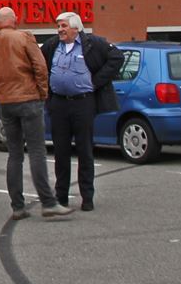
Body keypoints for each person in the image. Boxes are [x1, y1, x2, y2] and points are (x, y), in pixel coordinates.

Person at [0, 7, 70, 220]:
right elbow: (40, 67)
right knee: (37, 151)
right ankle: (48, 203)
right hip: (29, 100)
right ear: (15, 20)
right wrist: (42, 93)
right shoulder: (24, 38)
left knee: (15, 154)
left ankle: (17, 206)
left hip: (6, 104)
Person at [40, 12, 123, 213]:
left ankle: (87, 197)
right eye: (58, 26)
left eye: (63, 26)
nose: (60, 29)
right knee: (61, 152)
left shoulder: (93, 44)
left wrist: (96, 81)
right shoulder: (52, 46)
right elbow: (40, 66)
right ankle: (61, 197)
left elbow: (117, 57)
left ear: (76, 28)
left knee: (85, 150)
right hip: (59, 104)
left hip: (83, 103)